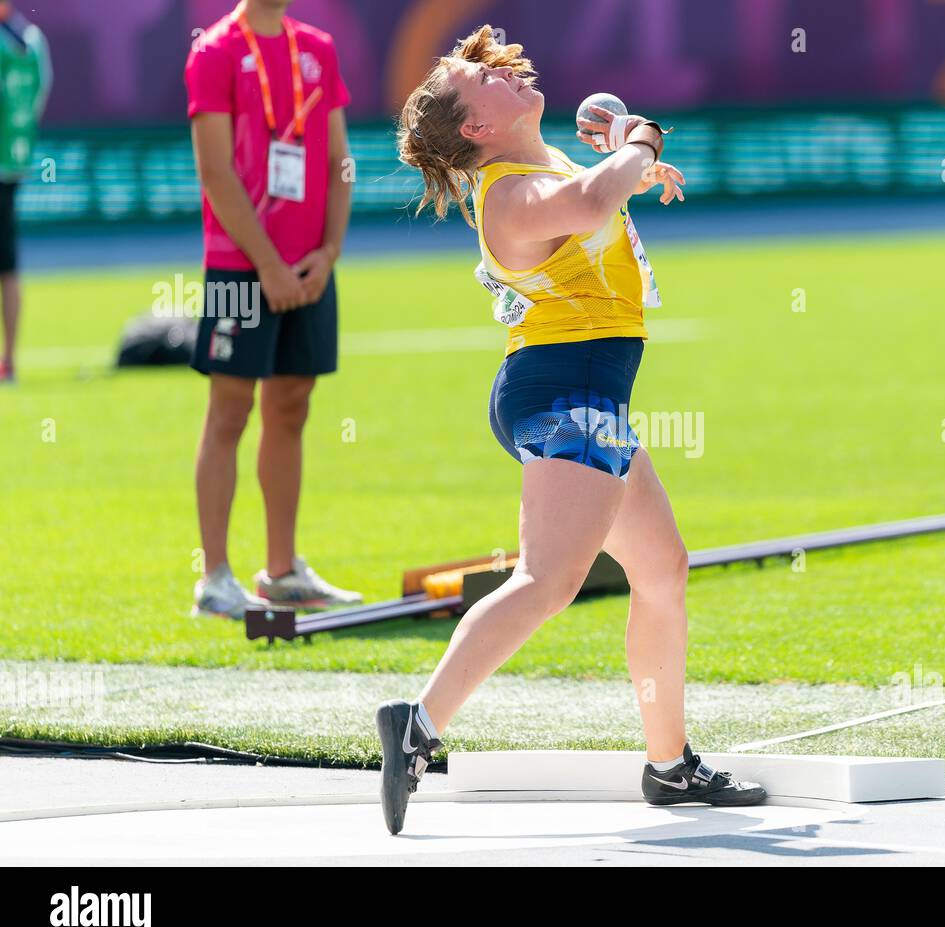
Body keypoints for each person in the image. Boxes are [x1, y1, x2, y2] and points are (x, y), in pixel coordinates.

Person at [375, 24, 765, 835]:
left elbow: (595, 194)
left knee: (662, 571)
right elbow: (591, 203)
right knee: (547, 582)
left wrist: (627, 157)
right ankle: (416, 728)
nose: (502, 72)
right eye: (477, 79)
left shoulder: (537, 164)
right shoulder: (513, 194)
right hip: (564, 393)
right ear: (475, 130)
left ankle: (669, 766)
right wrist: (642, 141)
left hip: (587, 394)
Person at [185, 0, 360, 619]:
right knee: (229, 410)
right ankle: (214, 578)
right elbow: (215, 171)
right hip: (240, 266)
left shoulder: (318, 46)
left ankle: (282, 572)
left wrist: (330, 250)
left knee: (292, 404)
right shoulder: (215, 51)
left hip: (310, 264)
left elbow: (341, 162)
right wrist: (267, 265)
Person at [0, 2, 52, 384]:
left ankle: (9, 361)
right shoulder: (32, 40)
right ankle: (10, 360)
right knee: (8, 266)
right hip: (14, 161)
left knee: (8, 266)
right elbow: (37, 100)